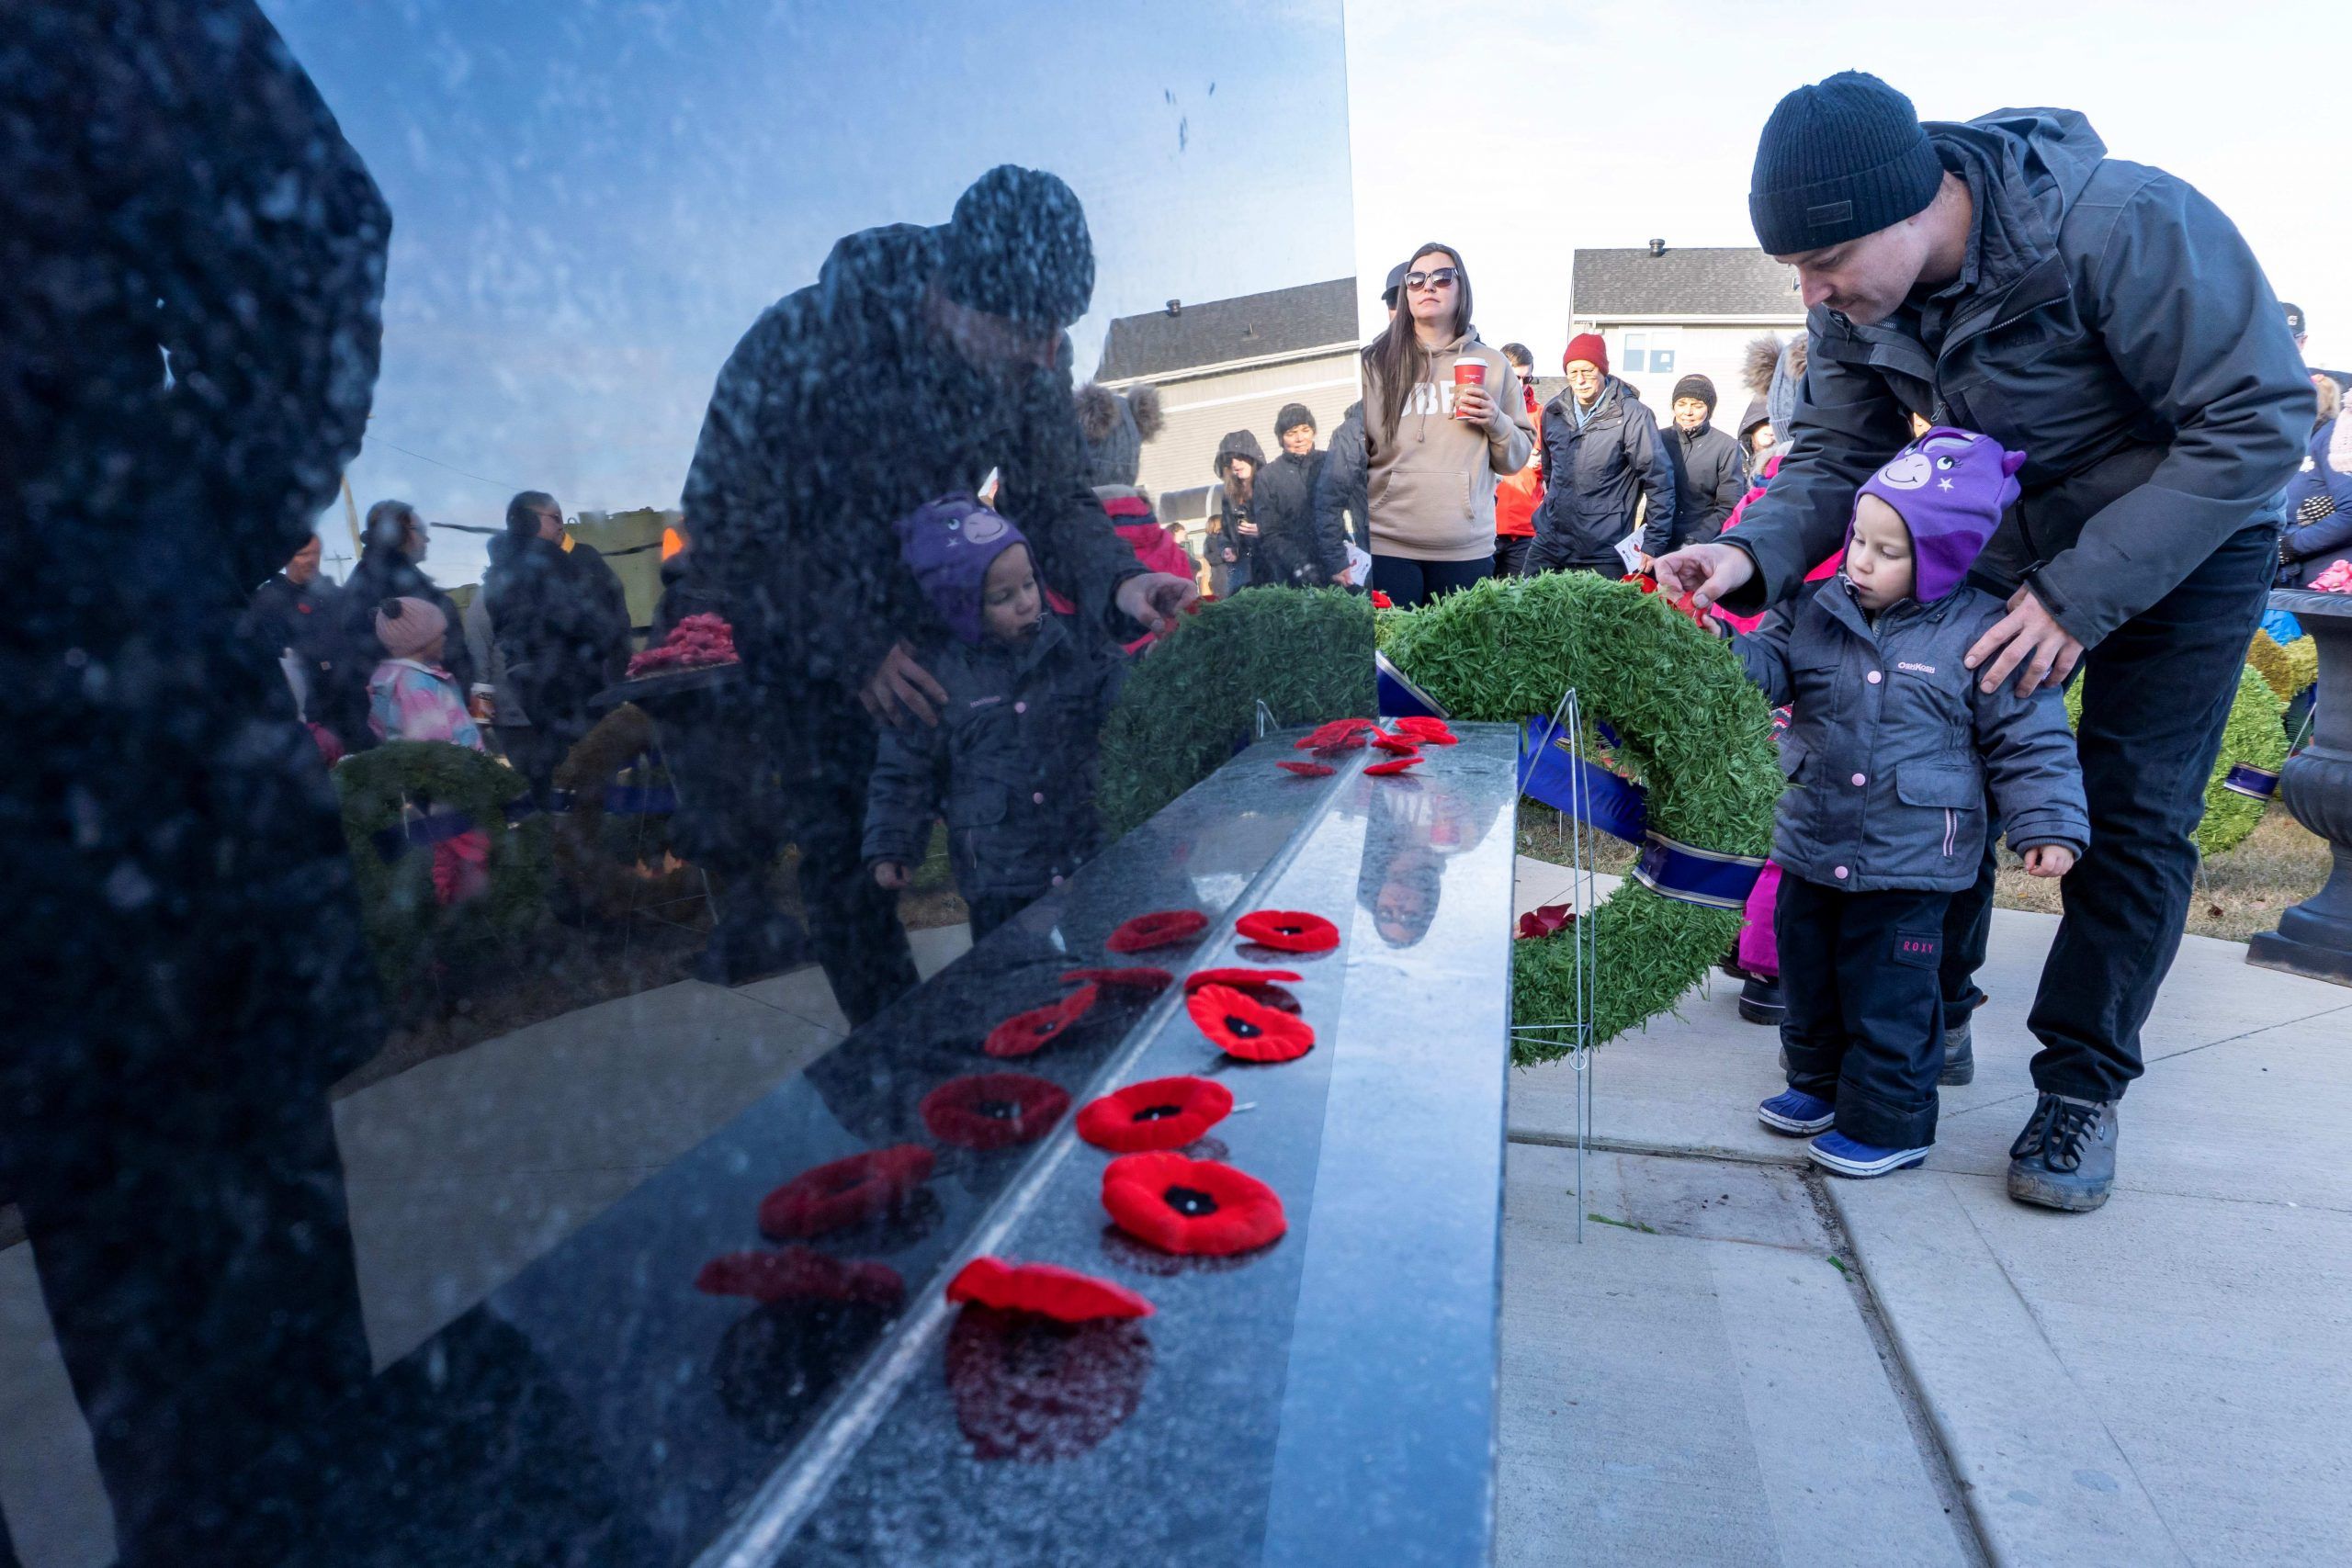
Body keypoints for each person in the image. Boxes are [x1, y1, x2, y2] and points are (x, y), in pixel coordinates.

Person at [1655, 72, 2309, 1211]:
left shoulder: (2123, 226)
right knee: (1939, 761)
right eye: (1796, 272)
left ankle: (2080, 1088)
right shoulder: (1860, 296)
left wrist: (2074, 597)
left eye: (1825, 264)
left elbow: (2257, 420)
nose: (1810, 293)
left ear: (1915, 207)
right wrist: (1746, 557)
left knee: (2133, 812)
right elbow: (1829, 457)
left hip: (2193, 540)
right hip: (2010, 535)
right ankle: (1927, 1020)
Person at [6, 2, 389, 1558]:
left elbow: (305, 219)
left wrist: (140, 566)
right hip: (100, 795)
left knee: (241, 1422)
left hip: (113, 807)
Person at [681, 164, 1195, 1028]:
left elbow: (1052, 495)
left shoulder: (1028, 355)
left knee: (1003, 815)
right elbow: (721, 518)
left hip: (935, 621)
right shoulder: (799, 341)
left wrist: (1122, 579)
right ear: (949, 297)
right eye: (1027, 328)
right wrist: (850, 646)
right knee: (851, 856)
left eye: (1059, 329)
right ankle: (897, 1065)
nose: (1048, 355)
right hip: (807, 637)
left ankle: (1040, 1015)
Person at [1731, 430, 2087, 1178]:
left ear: (1944, 557)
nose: (1860, 558)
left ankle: (1892, 1121)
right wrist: (1715, 649)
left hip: (1913, 859)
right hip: (1811, 836)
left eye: (1887, 551)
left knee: (1888, 994)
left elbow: (2031, 739)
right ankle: (1818, 1084)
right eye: (1860, 538)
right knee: (1811, 976)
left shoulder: (1986, 629)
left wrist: (2048, 821)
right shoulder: (1814, 607)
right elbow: (1764, 668)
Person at [864, 498, 1122, 940]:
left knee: (1104, 953)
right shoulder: (937, 677)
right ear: (959, 607)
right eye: (1002, 597)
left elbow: (1118, 691)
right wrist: (893, 843)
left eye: (1028, 584)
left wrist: (1150, 672)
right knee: (1012, 981)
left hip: (1085, 848)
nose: (1024, 604)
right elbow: (905, 770)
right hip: (999, 874)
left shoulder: (1071, 646)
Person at [1360, 243, 1533, 605]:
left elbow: (1514, 459)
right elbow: (1353, 460)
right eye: (1416, 279)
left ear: (1461, 289)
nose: (1428, 286)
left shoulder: (1493, 364)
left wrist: (1495, 420)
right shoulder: (1373, 364)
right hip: (1388, 543)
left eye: (1442, 277)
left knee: (1453, 661)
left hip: (1465, 549)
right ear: (1405, 294)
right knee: (1392, 660)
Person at [480, 490, 633, 801]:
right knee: (593, 773)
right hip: (571, 686)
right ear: (529, 520)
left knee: (555, 780)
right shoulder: (553, 563)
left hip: (526, 698)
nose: (561, 527)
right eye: (554, 519)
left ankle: (560, 830)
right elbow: (584, 620)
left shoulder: (497, 576)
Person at [1524, 333, 1675, 575]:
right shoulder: (1553, 412)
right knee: (1526, 606)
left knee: (1592, 613)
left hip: (1603, 548)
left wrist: (1654, 540)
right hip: (1550, 541)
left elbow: (1658, 480)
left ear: (1602, 369)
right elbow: (1551, 472)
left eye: (1588, 371)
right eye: (1573, 373)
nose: (1580, 380)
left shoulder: (1632, 415)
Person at [329, 498, 473, 750]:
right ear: (399, 535)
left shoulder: (355, 586)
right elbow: (453, 657)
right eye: (420, 532)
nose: (426, 540)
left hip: (375, 731)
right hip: (429, 730)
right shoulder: (410, 592)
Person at [367, 596, 484, 749]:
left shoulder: (388, 678)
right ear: (421, 641)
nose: (445, 638)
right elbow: (435, 748)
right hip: (457, 766)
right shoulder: (417, 687)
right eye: (439, 634)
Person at [1248, 403, 1343, 588]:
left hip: (1335, 559)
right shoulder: (1268, 476)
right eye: (1291, 433)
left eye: (1305, 430)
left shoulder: (1329, 462)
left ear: (1313, 432)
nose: (1300, 438)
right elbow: (1270, 531)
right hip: (1292, 568)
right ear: (1281, 439)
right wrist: (1298, 563)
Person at [1658, 373, 1747, 549]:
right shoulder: (1657, 439)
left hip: (1699, 542)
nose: (1688, 412)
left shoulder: (1726, 446)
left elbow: (1729, 504)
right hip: (1655, 540)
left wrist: (1696, 540)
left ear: (1709, 409)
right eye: (1681, 404)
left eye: (1697, 405)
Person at [2279, 376, 2352, 587]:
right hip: (2296, 578)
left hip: (2325, 586)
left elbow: (2350, 512)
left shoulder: (2336, 435)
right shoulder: (2305, 440)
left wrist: (2286, 548)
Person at [1492, 343, 1544, 578]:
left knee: (1516, 603)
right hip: (1486, 526)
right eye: (1515, 377)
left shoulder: (1542, 415)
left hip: (1525, 530)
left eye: (1527, 378)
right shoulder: (1482, 409)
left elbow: (1558, 468)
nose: (1521, 385)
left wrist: (1542, 461)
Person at [1205, 428, 1265, 596]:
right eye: (1229, 461)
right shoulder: (1230, 495)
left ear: (1252, 457)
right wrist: (1227, 547)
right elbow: (1227, 529)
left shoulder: (1270, 483)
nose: (1235, 464)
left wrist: (1264, 529)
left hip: (1273, 565)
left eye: (1239, 457)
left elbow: (1288, 521)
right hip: (1245, 571)